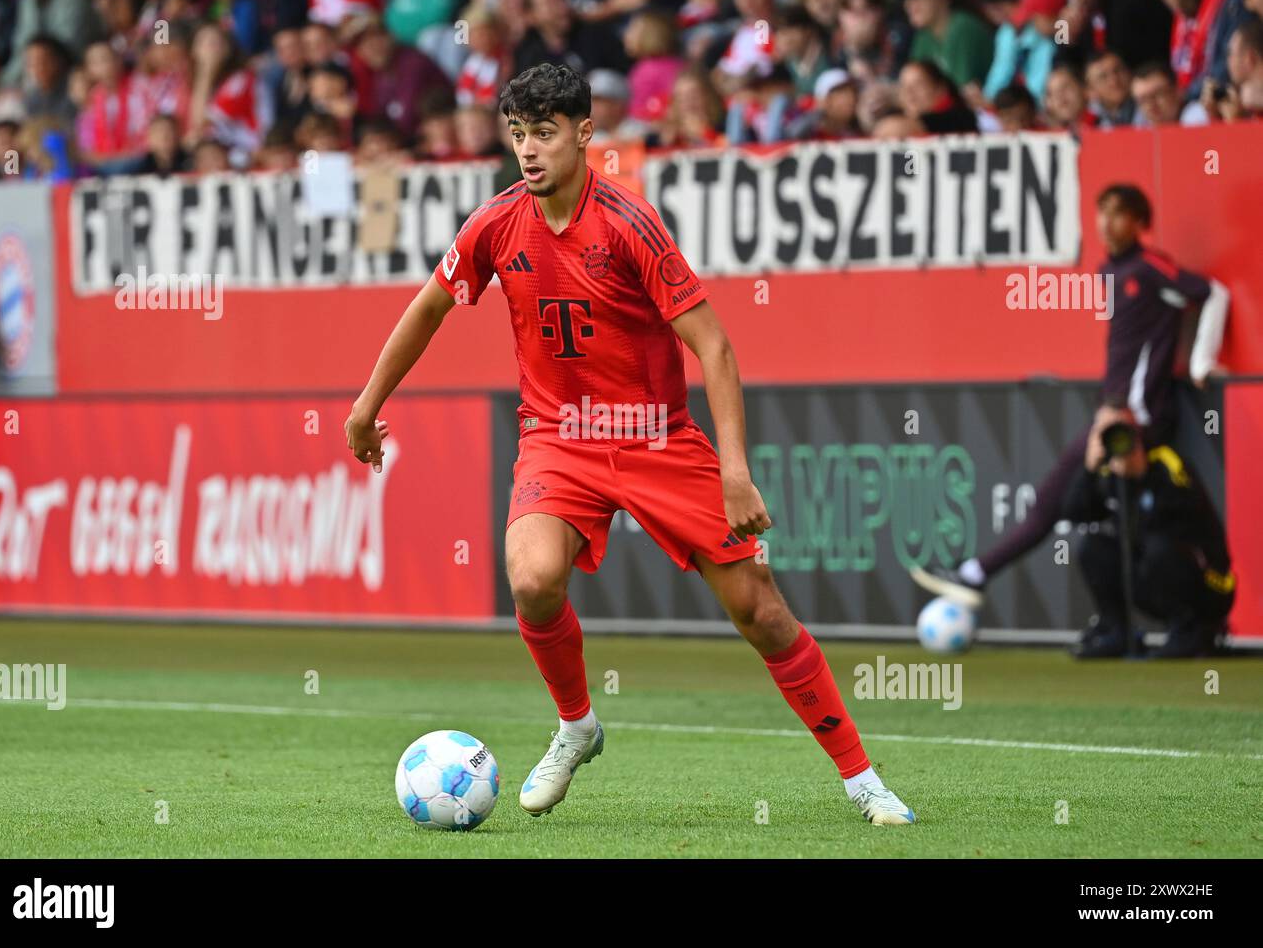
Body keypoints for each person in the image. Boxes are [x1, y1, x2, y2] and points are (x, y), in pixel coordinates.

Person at [345, 62, 916, 827]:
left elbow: (713, 346)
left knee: (760, 610)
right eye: (518, 135)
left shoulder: (628, 225)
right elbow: (427, 308)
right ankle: (577, 724)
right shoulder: (494, 224)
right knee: (532, 578)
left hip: (656, 439)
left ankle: (862, 780)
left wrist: (735, 473)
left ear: (585, 134)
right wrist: (365, 407)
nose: (529, 150)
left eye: (545, 133)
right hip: (557, 437)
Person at [912, 184, 1230, 609]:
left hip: (1134, 419)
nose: (1106, 223)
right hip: (1112, 413)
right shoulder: (1109, 272)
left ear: (1139, 222)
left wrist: (1200, 363)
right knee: (1075, 508)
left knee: (1056, 501)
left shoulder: (1150, 267)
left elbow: (1213, 294)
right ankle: (1101, 620)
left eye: (1118, 214)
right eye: (1101, 212)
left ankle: (976, 574)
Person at [1065, 406, 1235, 659]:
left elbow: (1180, 521)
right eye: (1104, 430)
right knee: (1093, 547)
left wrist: (1137, 473)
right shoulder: (1107, 473)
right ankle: (1117, 631)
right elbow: (1073, 512)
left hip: (1209, 585)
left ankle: (1191, 632)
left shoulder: (1166, 461)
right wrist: (1089, 470)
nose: (1117, 436)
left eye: (1121, 428)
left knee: (1159, 547)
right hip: (1151, 578)